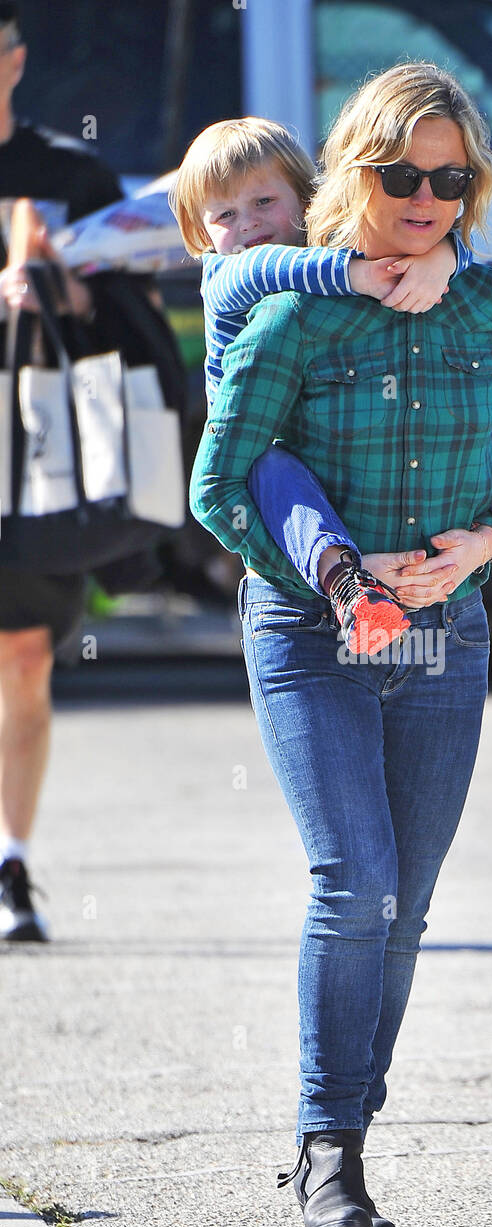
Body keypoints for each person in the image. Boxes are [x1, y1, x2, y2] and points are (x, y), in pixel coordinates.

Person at [189, 63, 492, 1227]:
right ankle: (324, 1150)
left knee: (402, 909)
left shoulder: (491, 310)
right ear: (354, 171)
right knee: (353, 880)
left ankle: (349, 1132)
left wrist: (477, 551)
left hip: (444, 635)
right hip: (311, 628)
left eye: (449, 178)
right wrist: (332, 573)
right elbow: (221, 487)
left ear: (475, 186)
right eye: (401, 174)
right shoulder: (291, 310)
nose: (424, 196)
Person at [174, 116, 492, 657]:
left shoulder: (338, 258)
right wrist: (358, 275)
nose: (249, 224)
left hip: (410, 556)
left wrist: (444, 257)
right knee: (274, 464)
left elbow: (431, 235)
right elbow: (261, 269)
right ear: (202, 234)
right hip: (266, 465)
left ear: (306, 199)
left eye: (263, 203)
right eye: (225, 215)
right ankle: (345, 583)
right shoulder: (227, 273)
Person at [0, 1, 185, 942]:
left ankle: (11, 863)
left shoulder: (70, 175)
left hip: (43, 455)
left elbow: (133, 312)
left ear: (16, 60)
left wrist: (68, 288)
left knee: (26, 655)